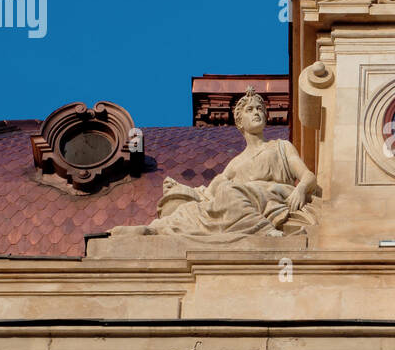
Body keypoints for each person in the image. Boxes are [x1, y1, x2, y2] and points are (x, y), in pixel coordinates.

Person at [111, 88, 317, 241]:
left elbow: (308, 176)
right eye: (250, 110)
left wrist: (300, 189)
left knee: (229, 191)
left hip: (275, 196)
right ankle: (154, 230)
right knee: (191, 211)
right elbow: (208, 194)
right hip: (241, 199)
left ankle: (263, 229)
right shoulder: (236, 163)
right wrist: (181, 190)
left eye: (260, 109)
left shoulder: (280, 146)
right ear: (240, 122)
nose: (257, 113)